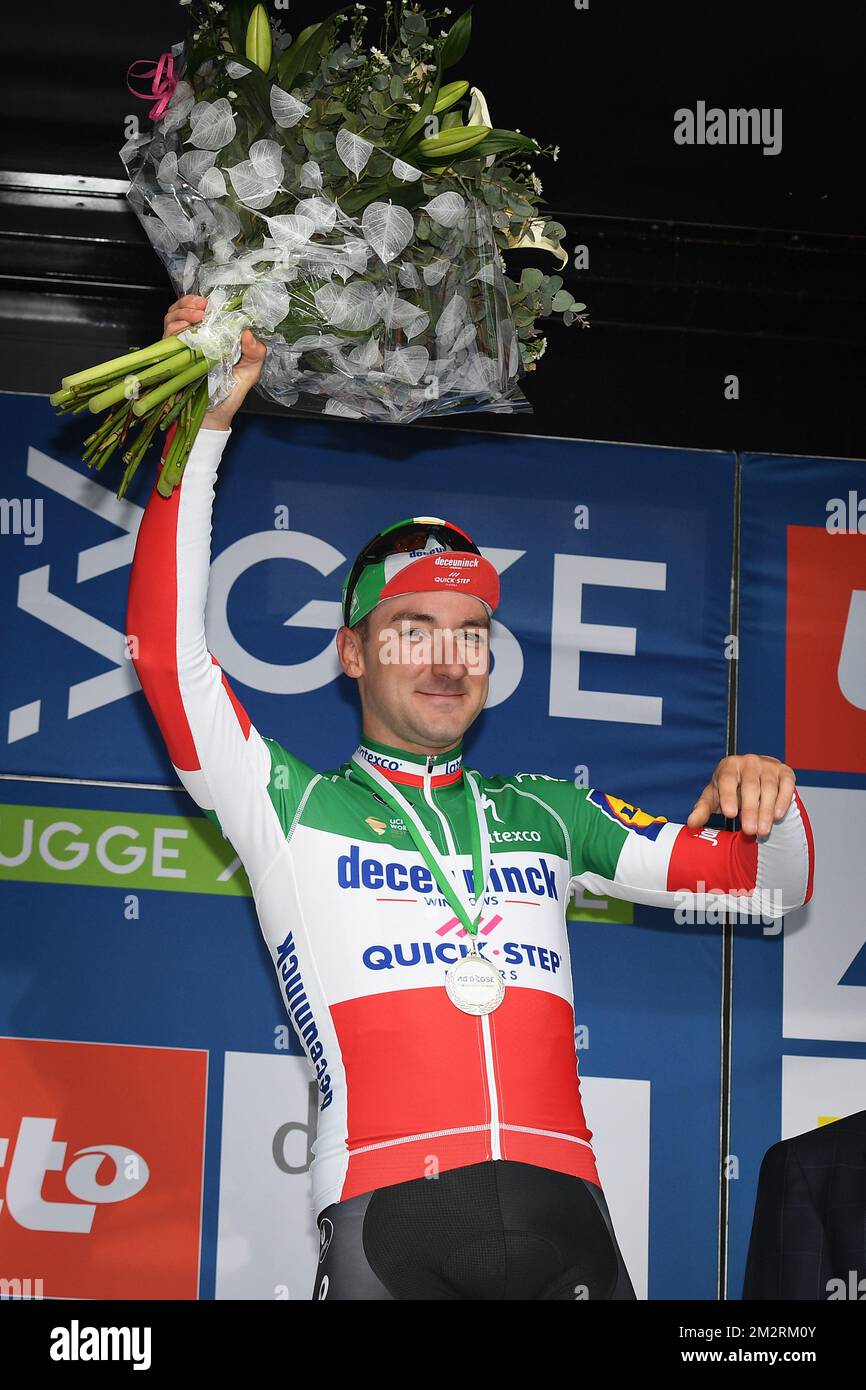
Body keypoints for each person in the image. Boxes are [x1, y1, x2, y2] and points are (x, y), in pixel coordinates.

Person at [127, 294, 816, 1301]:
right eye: (413, 627)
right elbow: (165, 658)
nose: (448, 657)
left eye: (470, 632)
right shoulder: (284, 803)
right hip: (388, 1218)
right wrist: (203, 428)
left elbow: (772, 891)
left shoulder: (547, 813)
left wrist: (772, 801)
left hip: (567, 1220)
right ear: (353, 652)